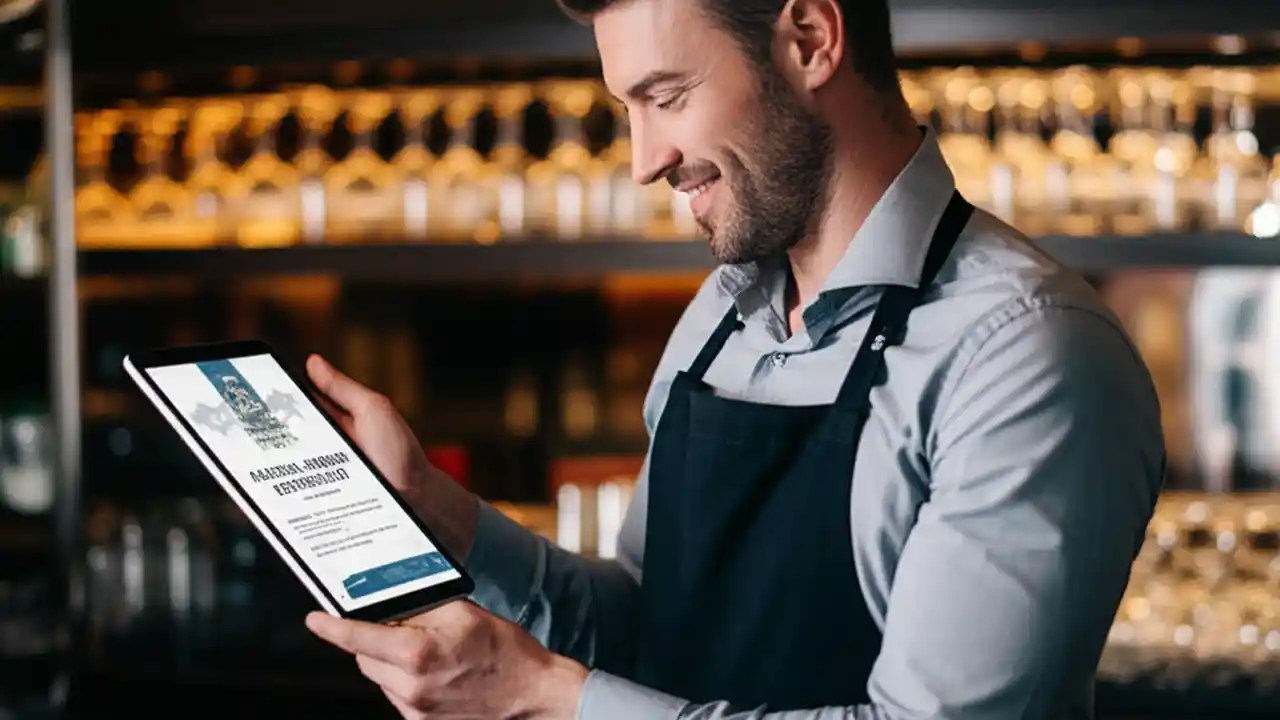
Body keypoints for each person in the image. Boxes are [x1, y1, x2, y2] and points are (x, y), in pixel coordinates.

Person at [302, 0, 1167, 717]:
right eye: (627, 110)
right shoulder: (723, 314)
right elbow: (647, 626)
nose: (646, 161)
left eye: (668, 96)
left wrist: (550, 700)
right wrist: (433, 508)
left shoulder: (1026, 352)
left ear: (810, 41)